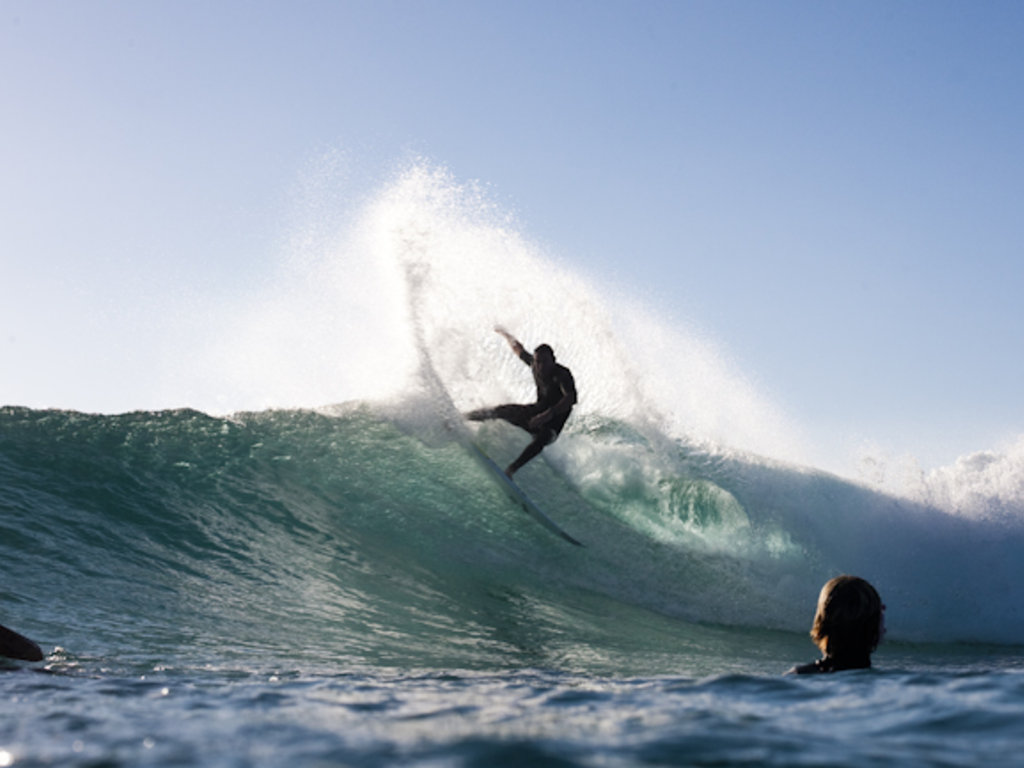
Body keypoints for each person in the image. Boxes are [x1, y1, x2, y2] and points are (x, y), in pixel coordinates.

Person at [466, 327, 577, 478]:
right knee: (500, 411)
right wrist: (506, 335)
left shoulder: (562, 374)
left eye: (545, 362)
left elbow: (570, 398)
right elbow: (519, 350)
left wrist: (547, 415)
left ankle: (511, 470)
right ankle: (460, 418)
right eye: (538, 362)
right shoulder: (534, 365)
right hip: (536, 411)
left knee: (542, 438)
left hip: (553, 424)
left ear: (553, 360)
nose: (541, 366)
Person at [787, 575, 886, 674]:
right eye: (880, 609)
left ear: (821, 620)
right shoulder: (885, 684)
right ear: (872, 624)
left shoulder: (798, 675)